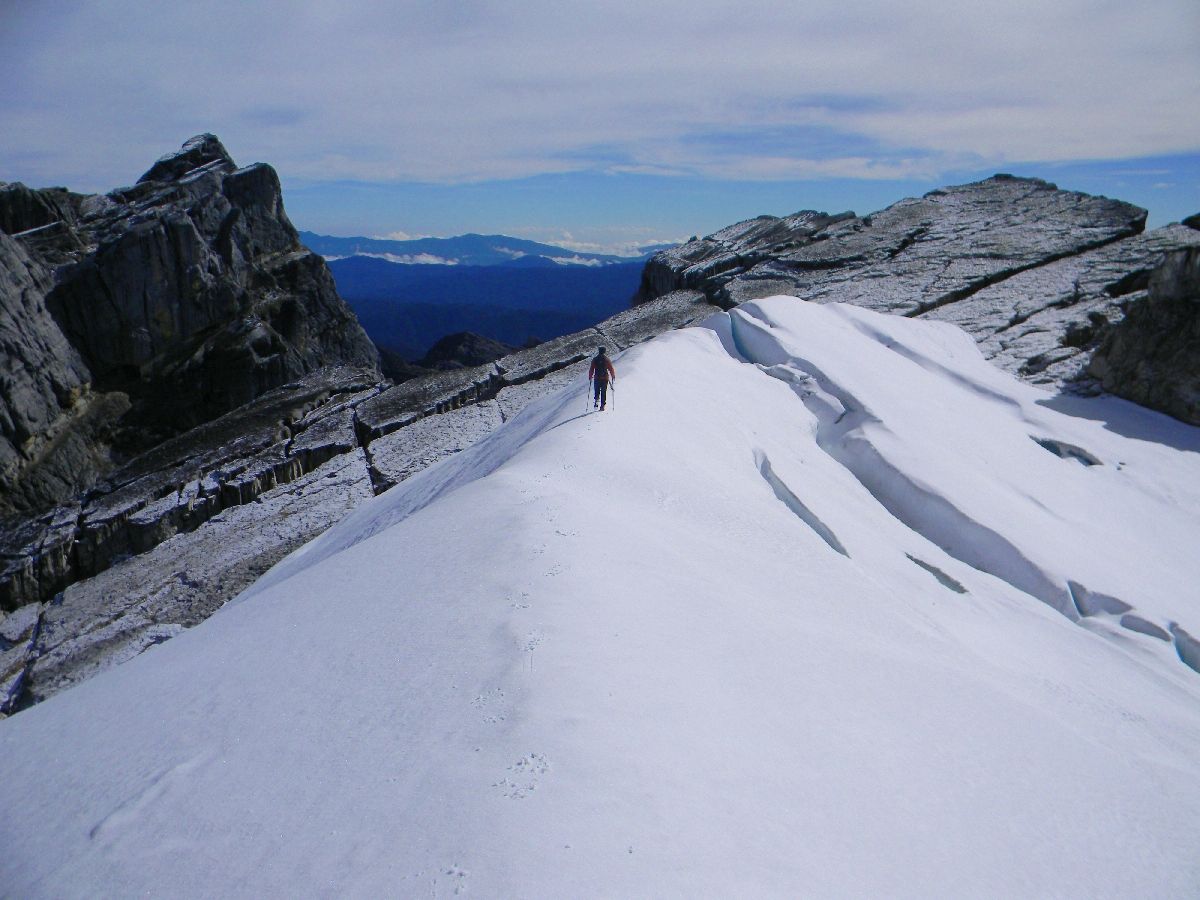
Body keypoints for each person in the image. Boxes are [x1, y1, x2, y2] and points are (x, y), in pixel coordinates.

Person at [588, 346, 616, 410]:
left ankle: (597, 400)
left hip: (597, 378)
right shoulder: (606, 359)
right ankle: (602, 406)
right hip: (605, 378)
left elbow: (591, 369)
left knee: (597, 390)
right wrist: (613, 375)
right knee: (604, 392)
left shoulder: (595, 359)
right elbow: (610, 368)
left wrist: (590, 376)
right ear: (604, 351)